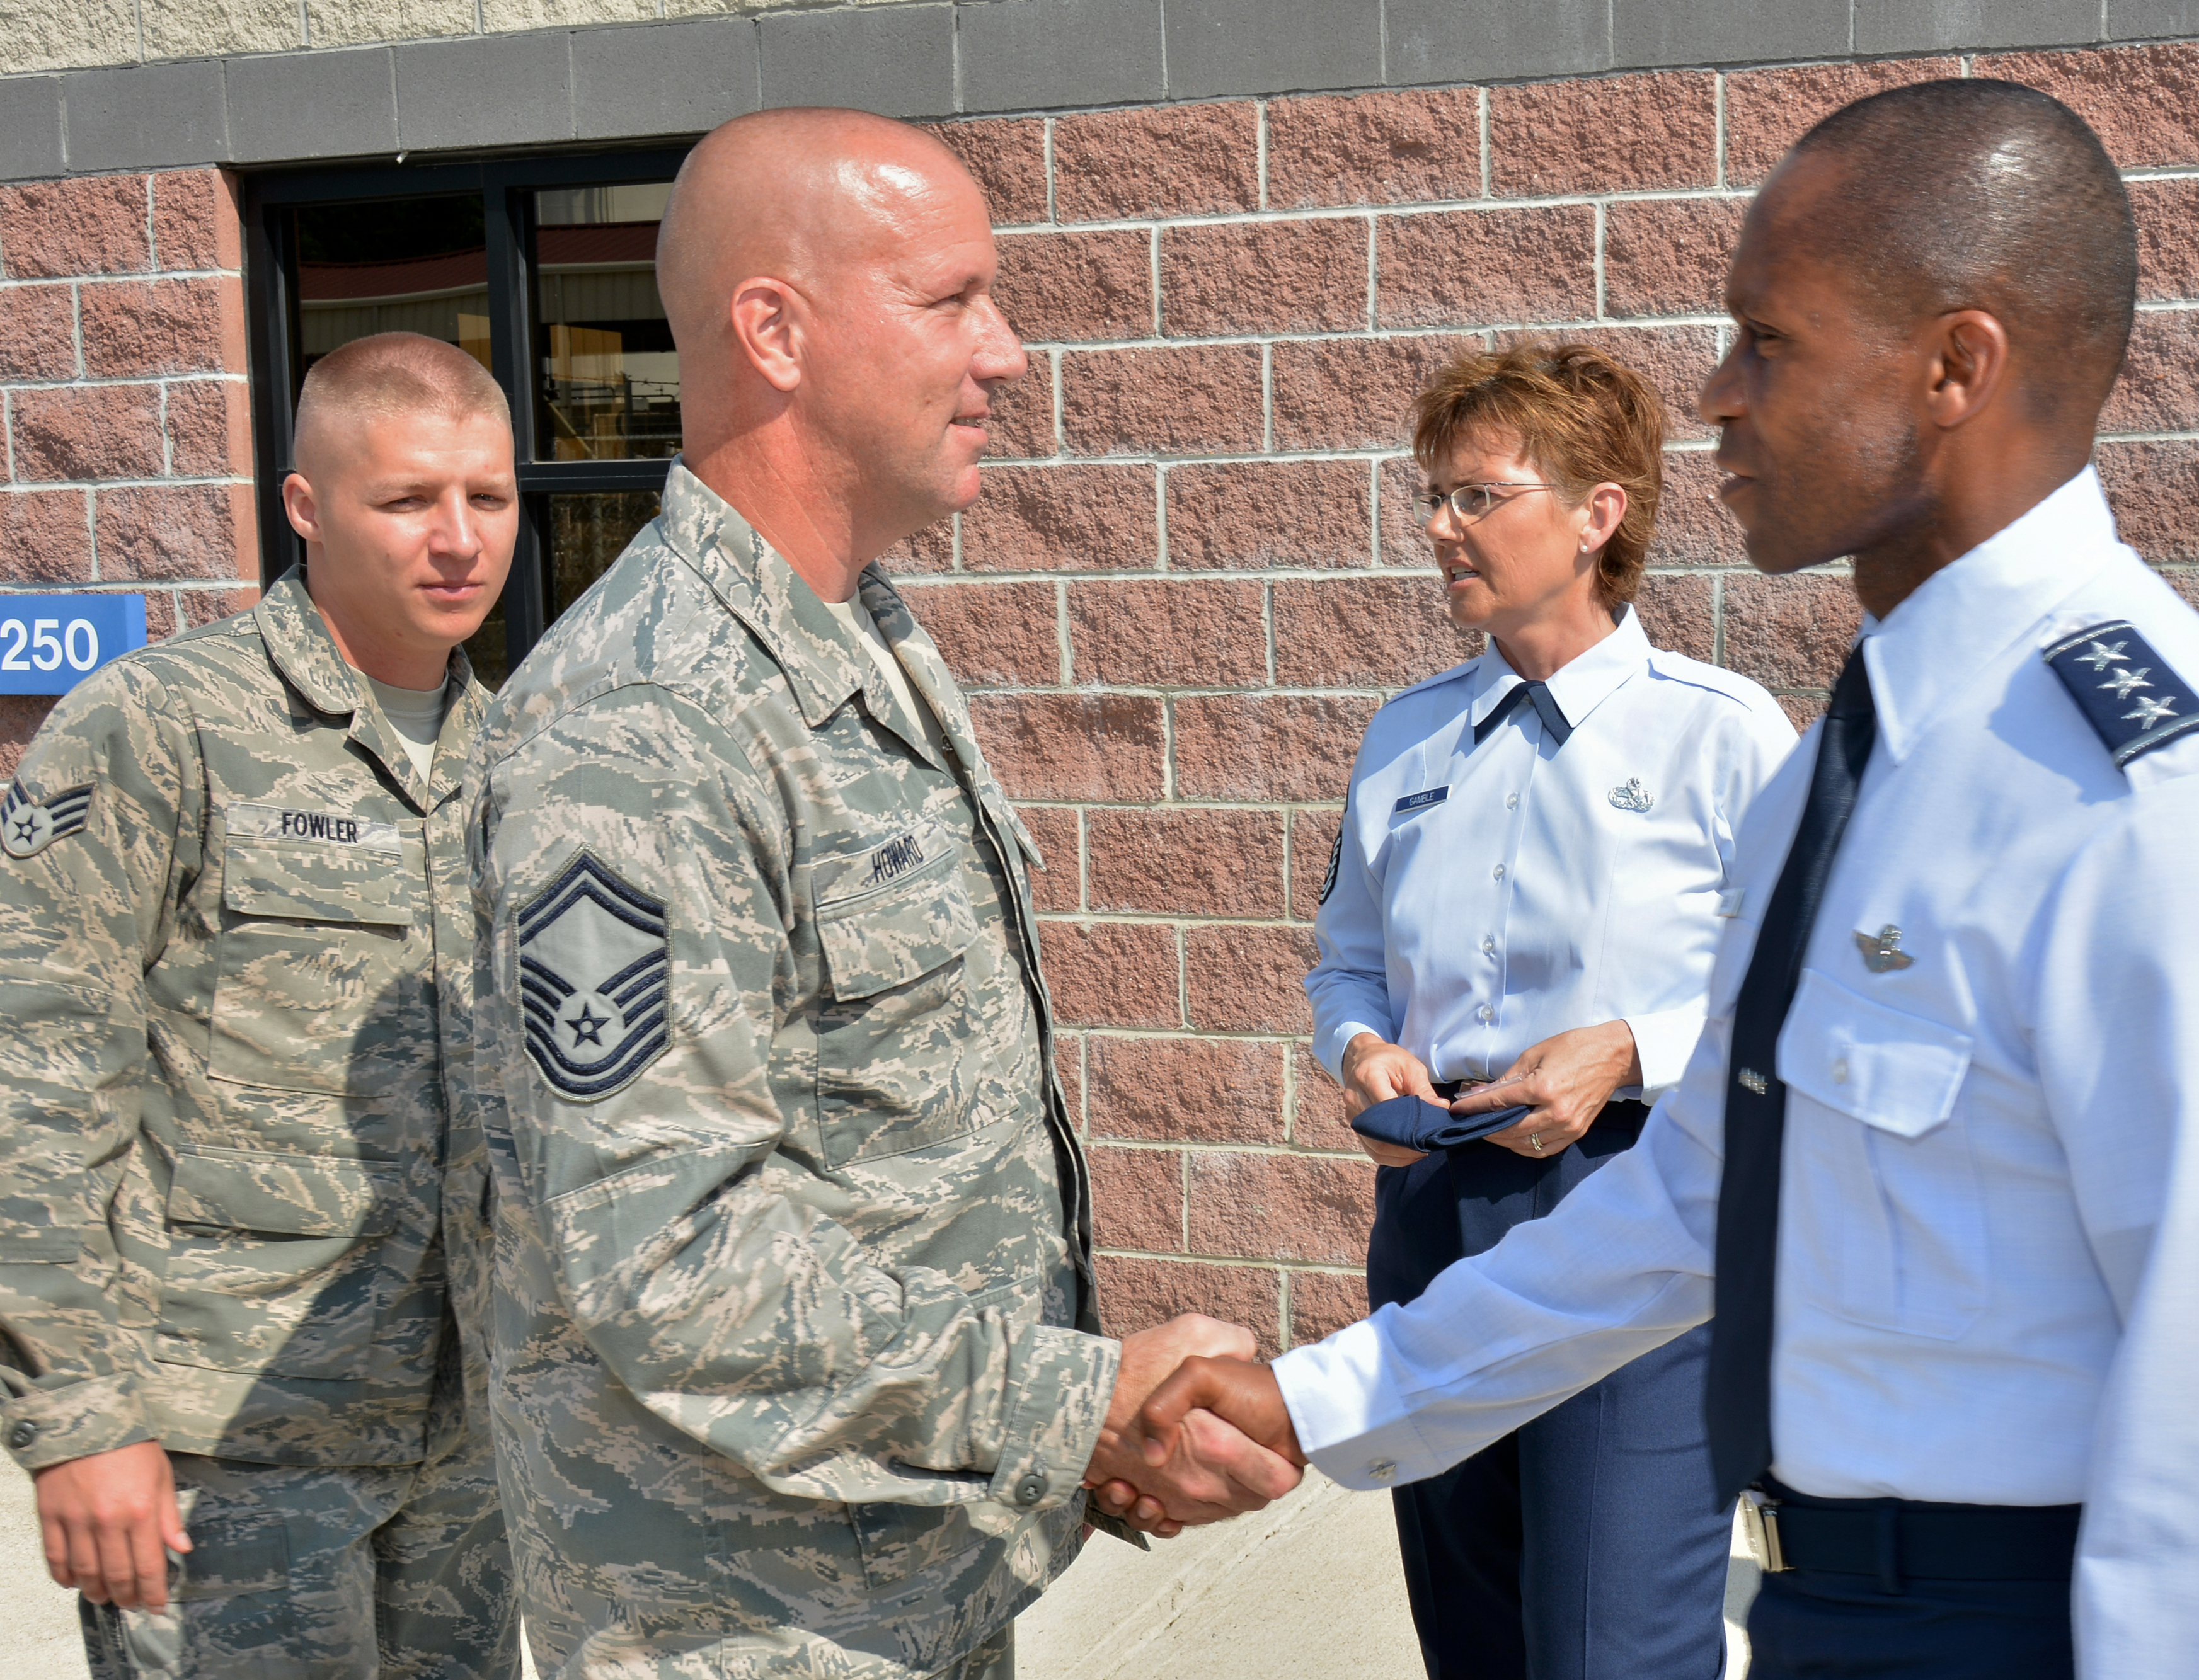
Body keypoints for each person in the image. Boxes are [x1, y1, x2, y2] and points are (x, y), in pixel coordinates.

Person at [1113, 79, 2199, 1679]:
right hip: (1826, 1606)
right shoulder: (1862, 750)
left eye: (1767, 343)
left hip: (2031, 1620)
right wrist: (1322, 1393)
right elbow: (1700, 1195)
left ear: (1956, 366)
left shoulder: (2156, 797)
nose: (1717, 400)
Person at [462, 106, 1292, 1680]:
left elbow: (883, 1150)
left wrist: (1058, 1438)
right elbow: (667, 1252)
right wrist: (1074, 1398)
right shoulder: (639, 726)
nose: (1008, 353)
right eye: (950, 300)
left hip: (910, 1571)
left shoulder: (857, 638)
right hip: (747, 1615)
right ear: (772, 330)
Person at [0, 331, 522, 1678]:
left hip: (467, 1449)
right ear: (306, 507)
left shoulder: (526, 755)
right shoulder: (159, 727)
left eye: (490, 495)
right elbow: (37, 1072)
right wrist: (74, 1416)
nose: (457, 538)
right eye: (407, 499)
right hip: (226, 1445)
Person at [1312, 343, 1793, 1680]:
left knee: (1608, 1647)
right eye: (1434, 494)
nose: (1437, 526)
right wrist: (1356, 1047)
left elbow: (1800, 980)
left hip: (1629, 1208)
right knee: (1469, 1637)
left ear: (1597, 514)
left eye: (1477, 495)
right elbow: (1344, 957)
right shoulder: (1400, 737)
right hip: (1430, 1214)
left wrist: (1636, 1040)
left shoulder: (1722, 733)